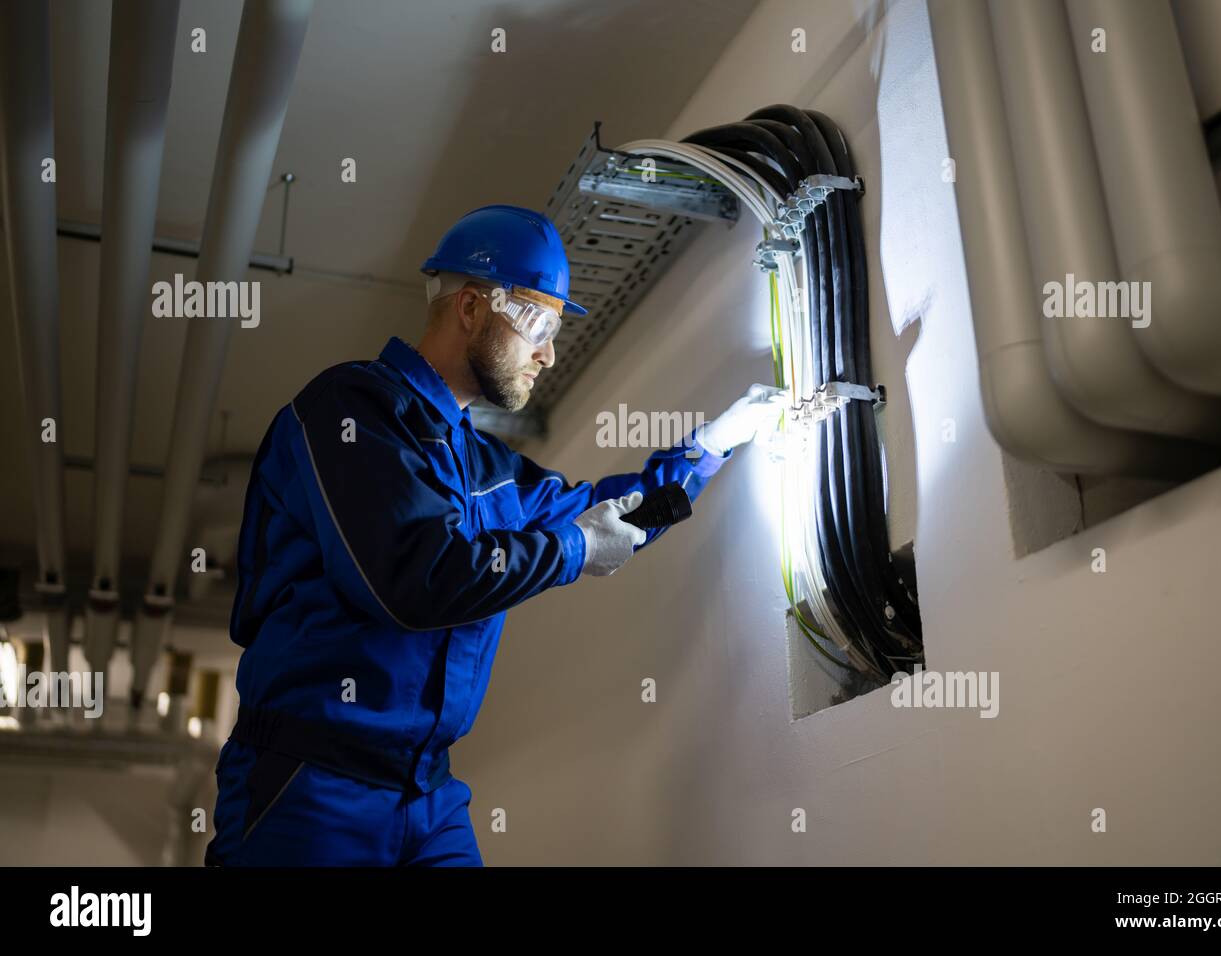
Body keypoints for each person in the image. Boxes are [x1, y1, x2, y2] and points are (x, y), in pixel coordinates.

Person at [204, 204, 785, 866]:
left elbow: (600, 514)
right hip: (310, 784)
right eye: (537, 320)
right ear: (472, 309)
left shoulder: (485, 466)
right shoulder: (351, 413)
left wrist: (711, 445)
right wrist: (572, 551)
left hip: (428, 793)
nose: (549, 351)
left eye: (556, 328)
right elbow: (413, 581)